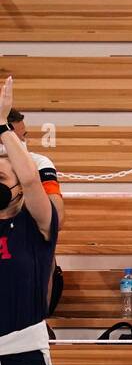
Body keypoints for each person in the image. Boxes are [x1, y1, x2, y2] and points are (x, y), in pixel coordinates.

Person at [0, 77, 58, 365]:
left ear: (19, 188)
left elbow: (34, 179)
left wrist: (2, 126)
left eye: (3, 179)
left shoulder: (36, 225)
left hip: (24, 350)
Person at [2, 108, 65, 314]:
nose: (23, 144)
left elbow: (57, 217)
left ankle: (37, 318)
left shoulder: (38, 163)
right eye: (17, 138)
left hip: (25, 235)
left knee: (40, 245)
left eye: (23, 138)